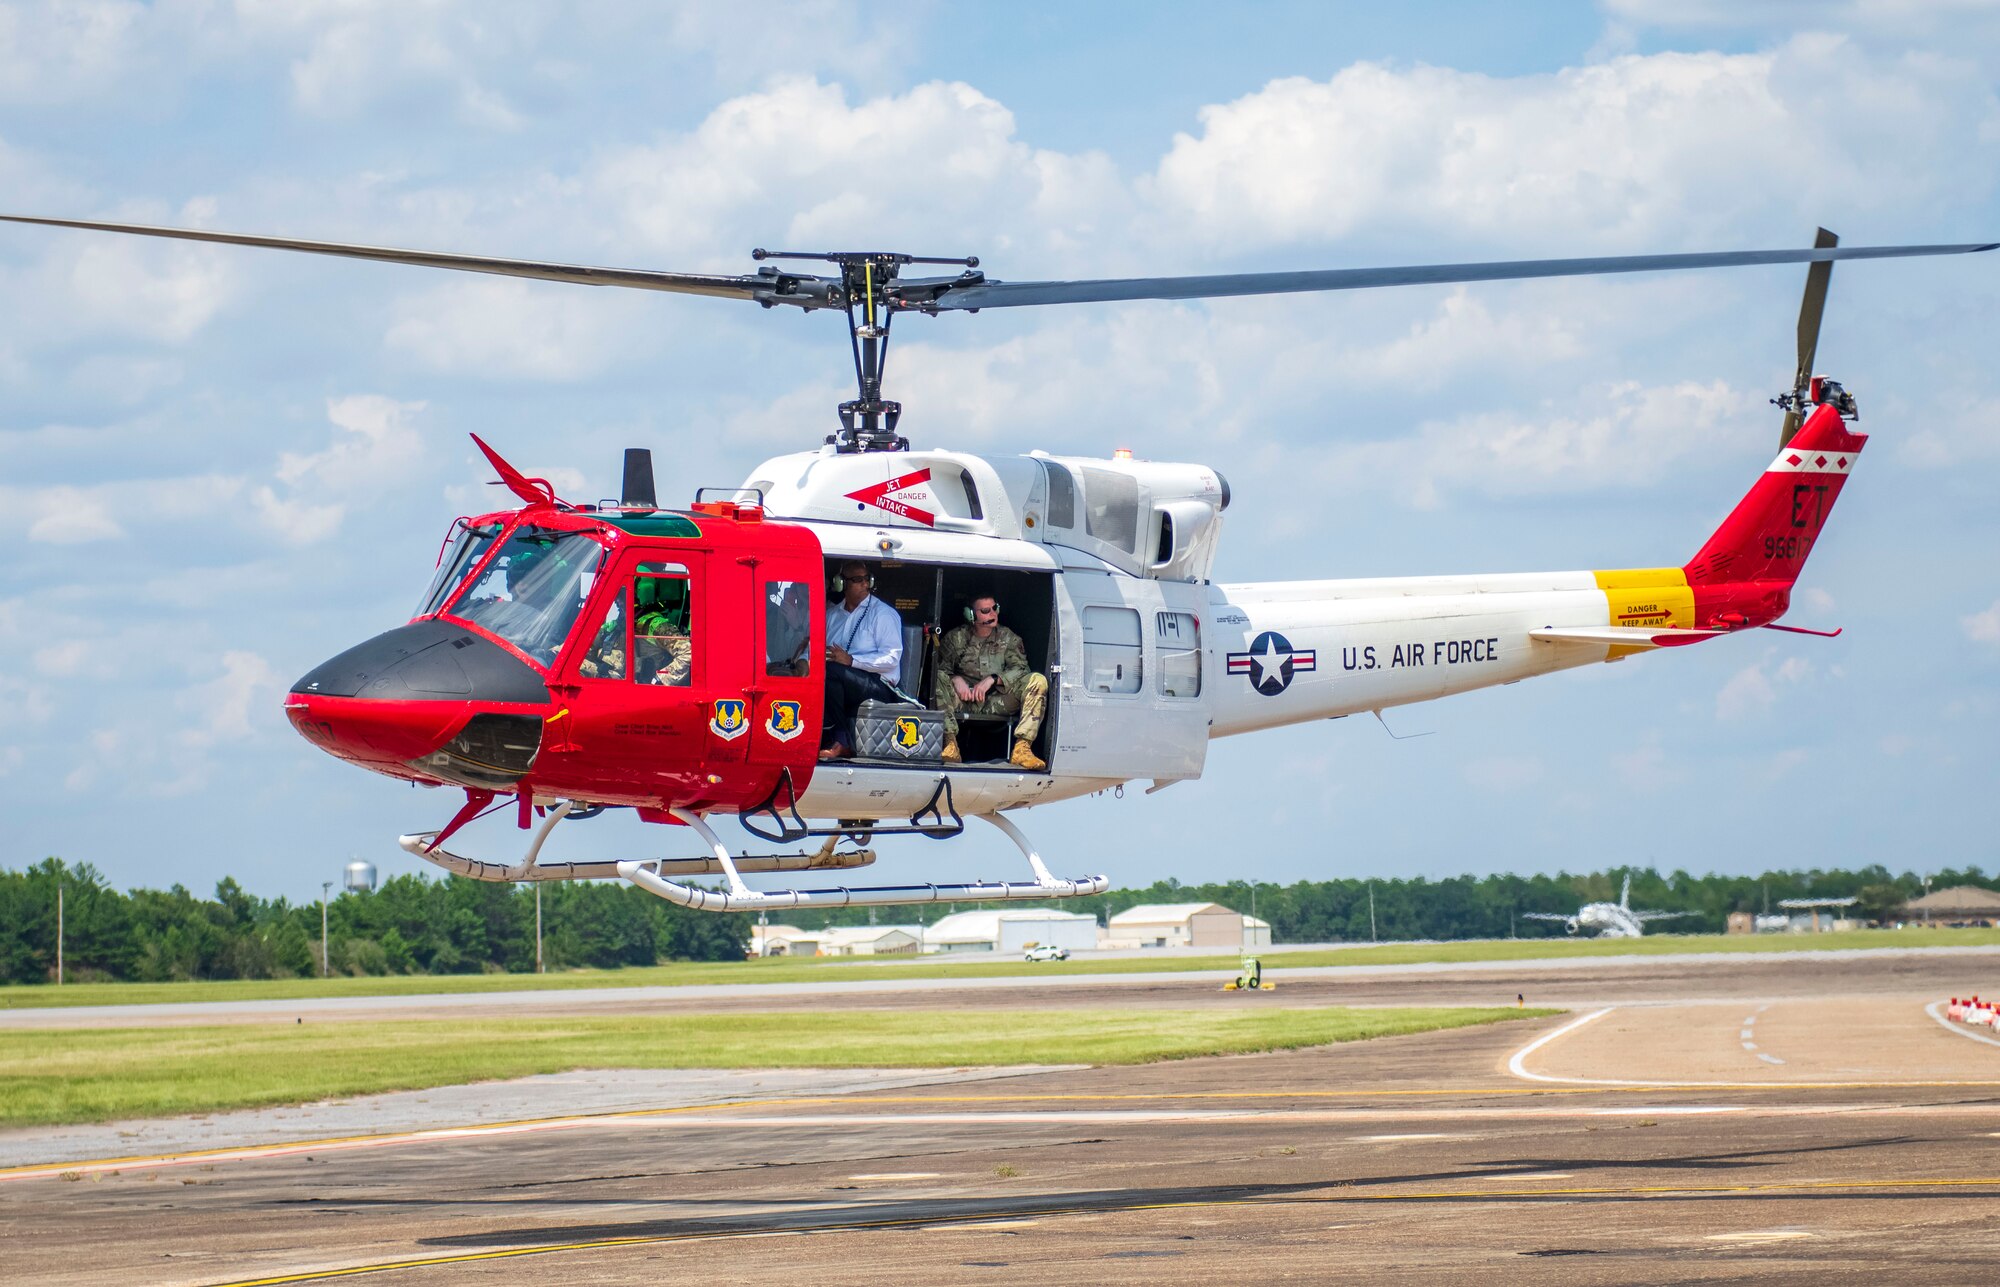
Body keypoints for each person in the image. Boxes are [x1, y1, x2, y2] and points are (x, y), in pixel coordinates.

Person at [934, 592, 1047, 771]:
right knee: (937, 679)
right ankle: (950, 744)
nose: (992, 614)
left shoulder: (1008, 637)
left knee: (1037, 680)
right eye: (986, 611)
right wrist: (956, 679)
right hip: (964, 700)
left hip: (996, 700)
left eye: (995, 608)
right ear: (971, 615)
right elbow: (939, 670)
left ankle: (1022, 749)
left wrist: (994, 679)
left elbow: (1021, 669)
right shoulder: (956, 638)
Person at [820, 561, 902, 759]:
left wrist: (851, 660)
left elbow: (891, 658)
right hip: (845, 681)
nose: (865, 585)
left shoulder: (883, 614)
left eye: (868, 579)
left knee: (831, 672)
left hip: (879, 685)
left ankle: (842, 740)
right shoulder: (831, 616)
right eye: (858, 580)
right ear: (841, 583)